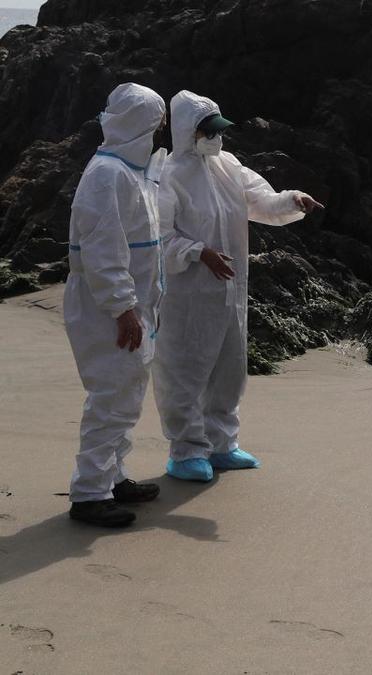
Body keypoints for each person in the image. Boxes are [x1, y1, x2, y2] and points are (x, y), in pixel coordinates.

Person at [154, 90, 322, 482]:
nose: (216, 138)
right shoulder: (168, 175)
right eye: (208, 131)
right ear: (186, 131)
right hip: (188, 293)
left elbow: (259, 199)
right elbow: (158, 237)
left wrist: (292, 200)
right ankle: (186, 452)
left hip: (230, 289)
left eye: (218, 130)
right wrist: (199, 253)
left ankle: (222, 444)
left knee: (229, 367)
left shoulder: (227, 165)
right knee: (186, 369)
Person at [64, 83, 168, 527]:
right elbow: (102, 250)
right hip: (109, 307)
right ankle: (89, 493)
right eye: (157, 120)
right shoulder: (107, 174)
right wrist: (123, 307)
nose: (162, 128)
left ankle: (113, 476)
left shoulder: (132, 170)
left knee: (127, 394)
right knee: (110, 395)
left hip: (131, 303)